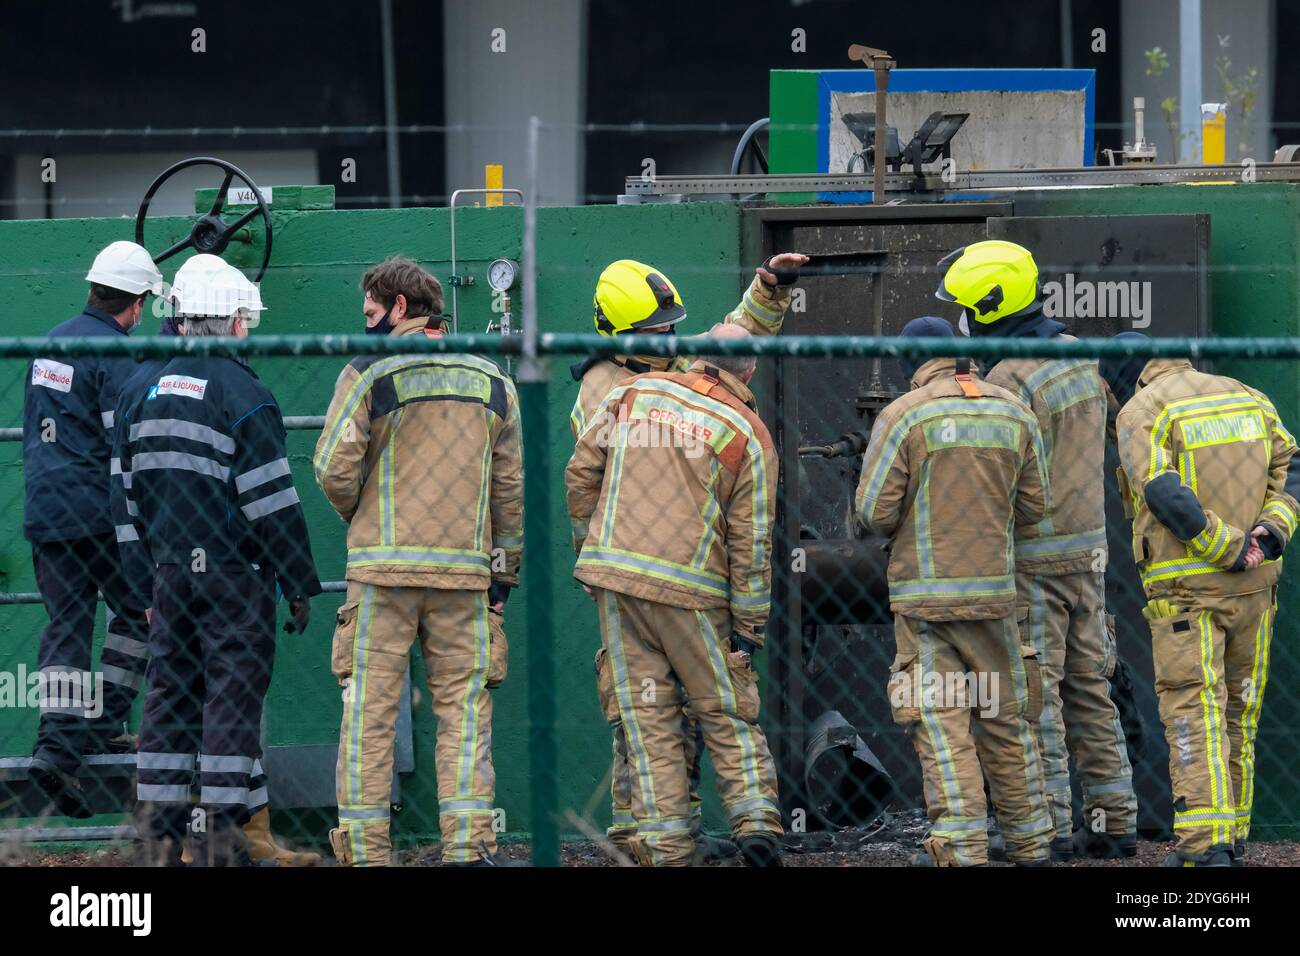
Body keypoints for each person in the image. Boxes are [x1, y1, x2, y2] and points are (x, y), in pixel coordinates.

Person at [570, 252, 805, 860]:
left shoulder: (648, 380)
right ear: (619, 335)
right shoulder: (610, 390)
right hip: (686, 584)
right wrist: (748, 623)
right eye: (658, 334)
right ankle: (653, 836)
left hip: (624, 578)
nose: (672, 339)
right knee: (681, 714)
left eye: (673, 329)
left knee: (651, 716)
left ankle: (669, 842)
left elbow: (727, 343)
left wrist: (768, 290)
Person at [314, 256, 522, 866]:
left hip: (380, 575)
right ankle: (469, 849)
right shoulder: (491, 379)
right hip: (464, 575)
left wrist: (363, 514)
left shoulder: (367, 370)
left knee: (368, 716)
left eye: (372, 313)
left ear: (400, 308)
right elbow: (509, 492)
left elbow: (332, 468)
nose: (367, 324)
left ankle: (365, 853)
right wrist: (502, 573)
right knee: (464, 714)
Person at [114, 253, 320, 865]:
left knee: (169, 699)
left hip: (167, 578)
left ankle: (162, 838)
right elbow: (273, 503)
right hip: (235, 578)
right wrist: (299, 580)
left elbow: (124, 505)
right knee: (231, 701)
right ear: (233, 320)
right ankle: (220, 842)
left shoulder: (137, 393)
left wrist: (142, 589)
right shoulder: (245, 395)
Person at [938, 239, 1137, 859]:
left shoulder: (1008, 379)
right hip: (1090, 553)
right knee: (1090, 690)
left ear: (990, 308)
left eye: (964, 307)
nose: (960, 319)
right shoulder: (1078, 357)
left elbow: (998, 473)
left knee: (1036, 698)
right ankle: (1114, 823)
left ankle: (1046, 828)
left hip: (1034, 558)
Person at [855, 316, 1054, 867]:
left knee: (942, 726)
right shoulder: (1014, 411)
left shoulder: (903, 415)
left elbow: (874, 512)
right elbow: (1036, 509)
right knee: (1005, 720)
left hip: (926, 606)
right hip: (995, 600)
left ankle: (963, 847)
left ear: (912, 361)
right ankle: (1033, 840)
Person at [1101, 332, 1299, 867]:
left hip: (1188, 592)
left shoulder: (1143, 410)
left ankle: (1205, 848)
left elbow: (1161, 490)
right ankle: (1231, 840)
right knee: (1240, 712)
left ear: (1128, 373)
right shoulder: (1246, 395)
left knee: (1193, 709)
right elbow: (1293, 468)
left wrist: (1228, 547)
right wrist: (1269, 536)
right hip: (1258, 588)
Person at [25, 240, 163, 817]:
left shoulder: (51, 344)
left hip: (47, 507)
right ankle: (103, 721)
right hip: (101, 514)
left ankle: (56, 748)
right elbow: (122, 440)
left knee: (66, 627)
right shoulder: (119, 355)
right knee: (136, 613)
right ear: (133, 303)